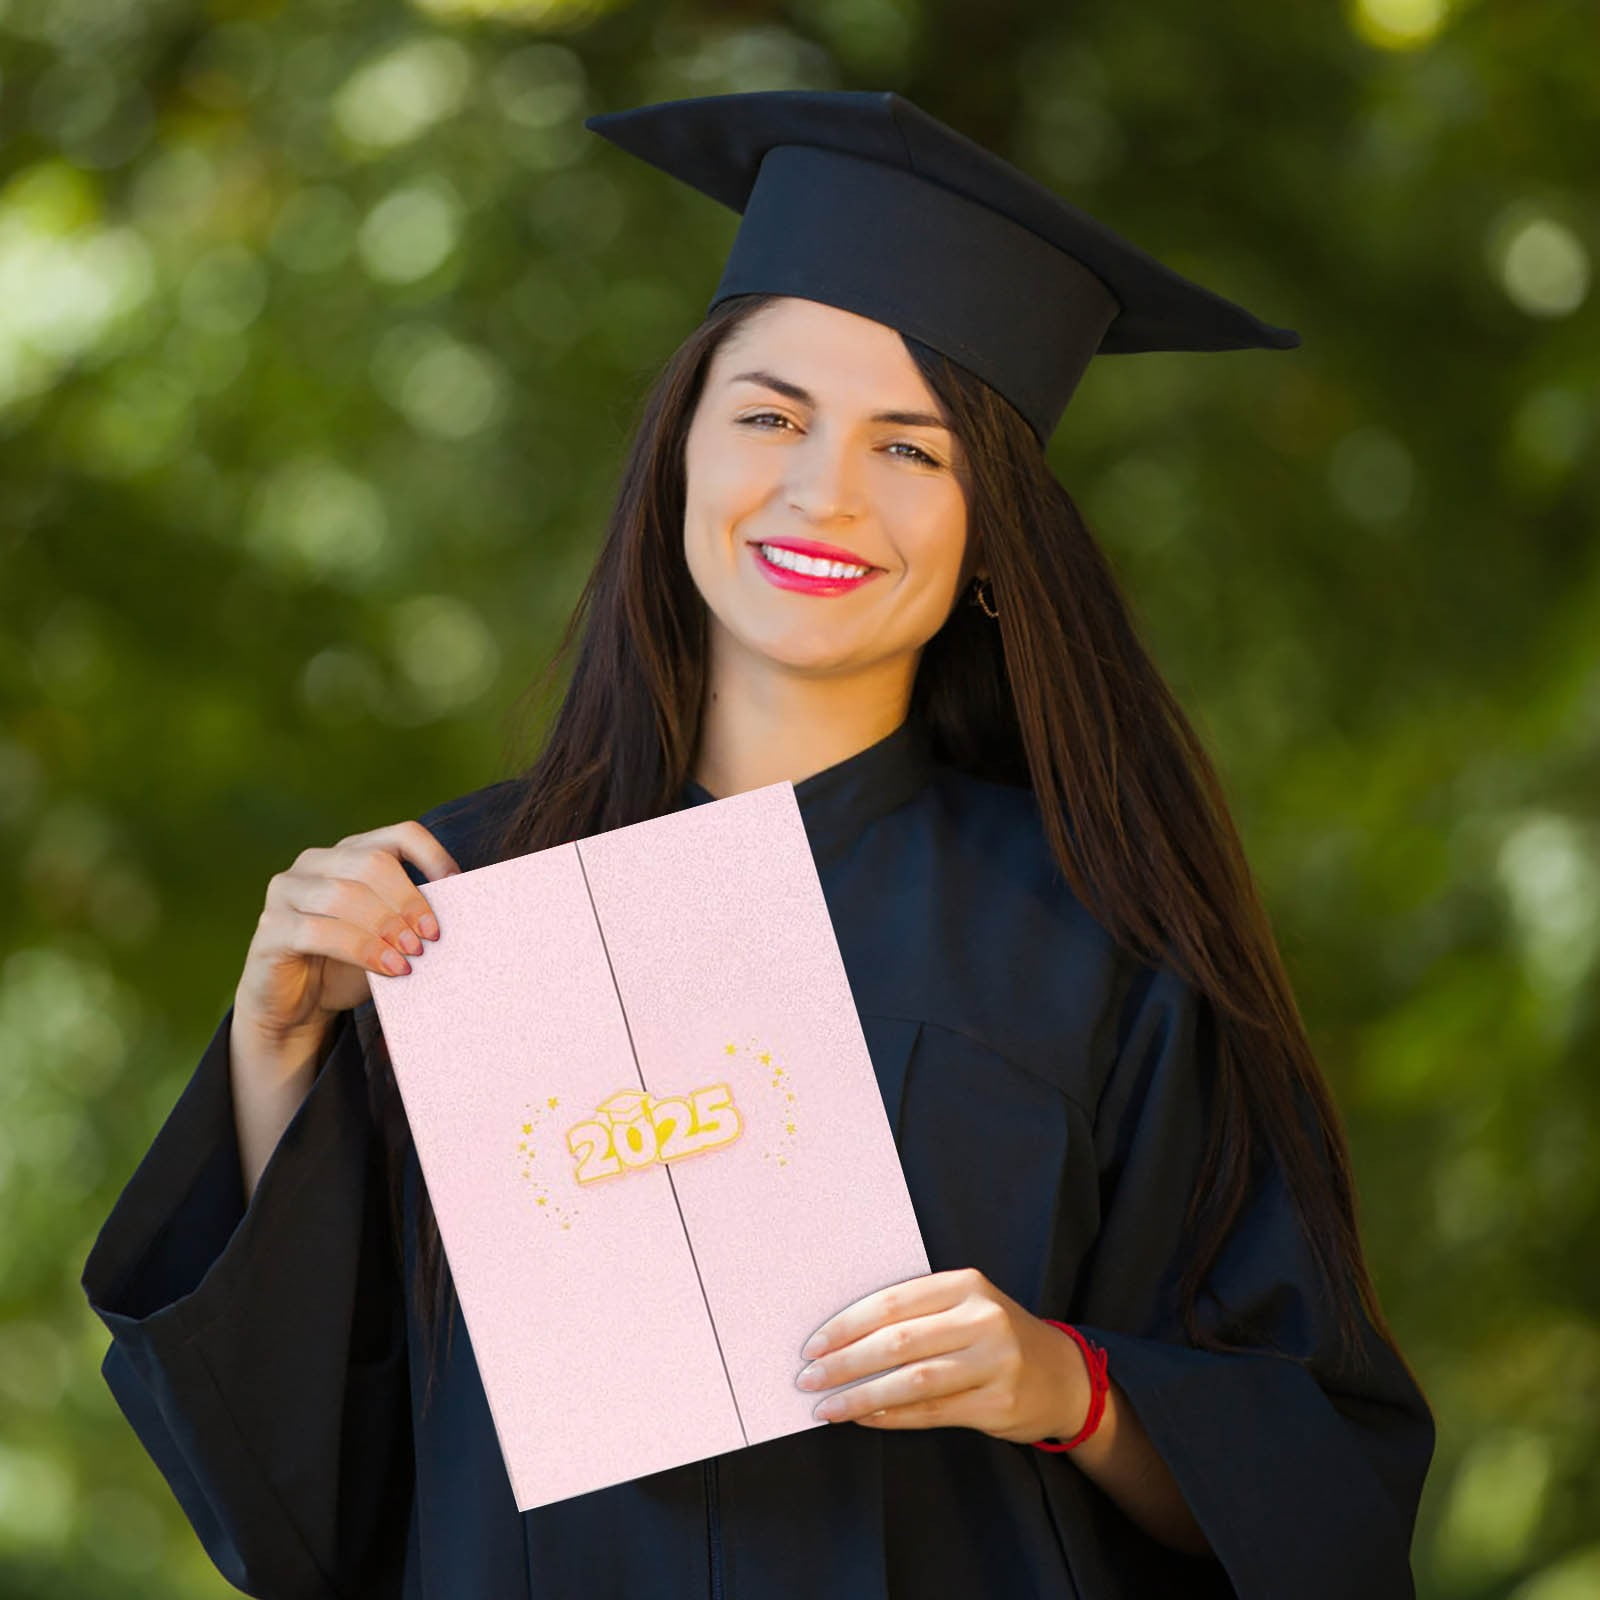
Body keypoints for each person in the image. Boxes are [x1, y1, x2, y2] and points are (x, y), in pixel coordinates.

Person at [81, 88, 1435, 1598]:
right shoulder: (459, 913)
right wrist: (278, 1058)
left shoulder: (1101, 939)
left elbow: (1325, 1483)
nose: (823, 492)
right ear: (680, 455)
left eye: (913, 450)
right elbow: (301, 1477)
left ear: (994, 534)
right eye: (771, 415)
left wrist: (1071, 1390)